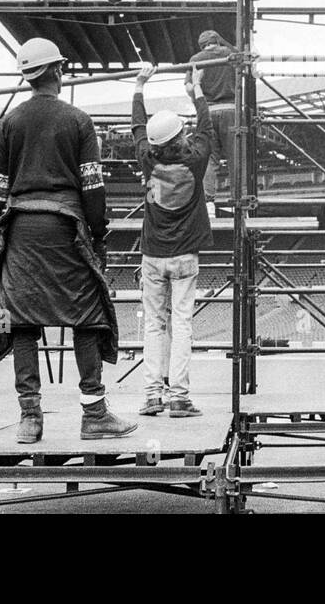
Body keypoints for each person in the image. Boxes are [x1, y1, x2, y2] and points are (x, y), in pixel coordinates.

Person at [0, 37, 134, 443]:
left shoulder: (10, 122)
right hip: (65, 230)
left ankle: (30, 418)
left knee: (21, 319)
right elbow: (93, 187)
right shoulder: (78, 120)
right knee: (88, 314)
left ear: (27, 77)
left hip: (21, 232)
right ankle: (94, 413)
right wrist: (98, 233)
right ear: (57, 70)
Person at [132, 62, 214, 417]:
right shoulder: (195, 160)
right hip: (185, 256)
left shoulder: (146, 159)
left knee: (154, 325)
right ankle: (179, 397)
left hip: (153, 255)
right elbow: (206, 126)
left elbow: (137, 124)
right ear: (180, 136)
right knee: (182, 325)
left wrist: (139, 85)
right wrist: (195, 90)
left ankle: (152, 395)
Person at [188, 30, 235, 208]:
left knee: (209, 159)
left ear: (202, 45)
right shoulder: (232, 53)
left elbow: (189, 87)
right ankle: (240, 204)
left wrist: (198, 100)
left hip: (207, 111)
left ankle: (208, 205)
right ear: (218, 40)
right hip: (232, 110)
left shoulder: (195, 59)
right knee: (236, 158)